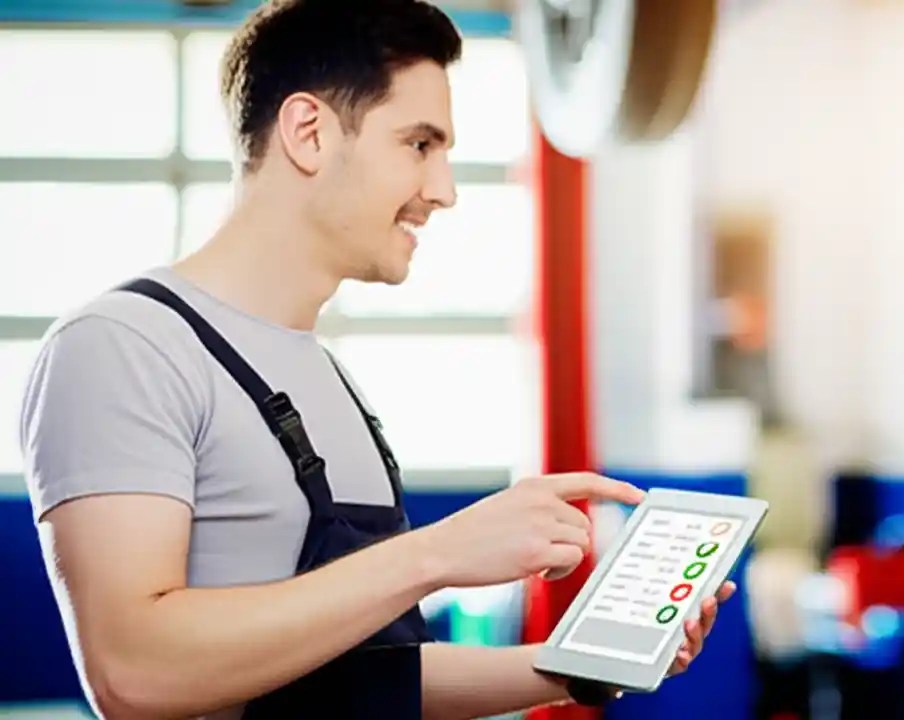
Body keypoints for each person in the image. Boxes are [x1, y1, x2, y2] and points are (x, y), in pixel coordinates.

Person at [18, 1, 732, 718]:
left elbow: (363, 677)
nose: (443, 191)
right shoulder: (124, 346)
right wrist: (437, 556)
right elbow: (133, 675)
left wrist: (590, 665)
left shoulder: (327, 379)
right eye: (419, 145)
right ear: (309, 132)